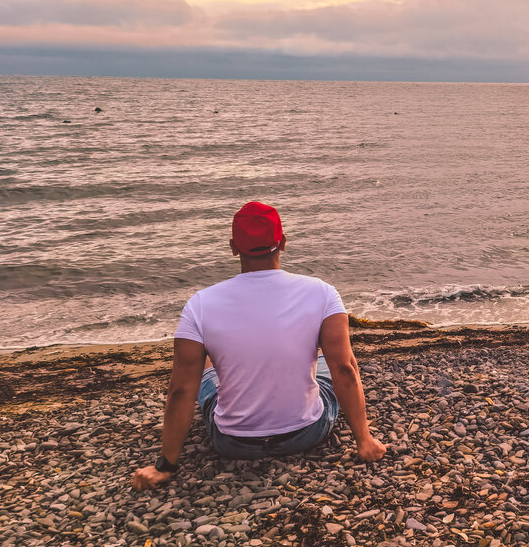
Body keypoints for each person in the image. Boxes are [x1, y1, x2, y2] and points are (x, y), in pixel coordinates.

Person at [131, 201, 387, 490]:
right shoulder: (321, 292)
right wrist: (364, 440)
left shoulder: (200, 304)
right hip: (306, 432)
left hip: (231, 441)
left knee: (203, 366)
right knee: (328, 358)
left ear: (233, 248)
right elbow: (345, 369)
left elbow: (180, 389)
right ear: (283, 242)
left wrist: (164, 465)